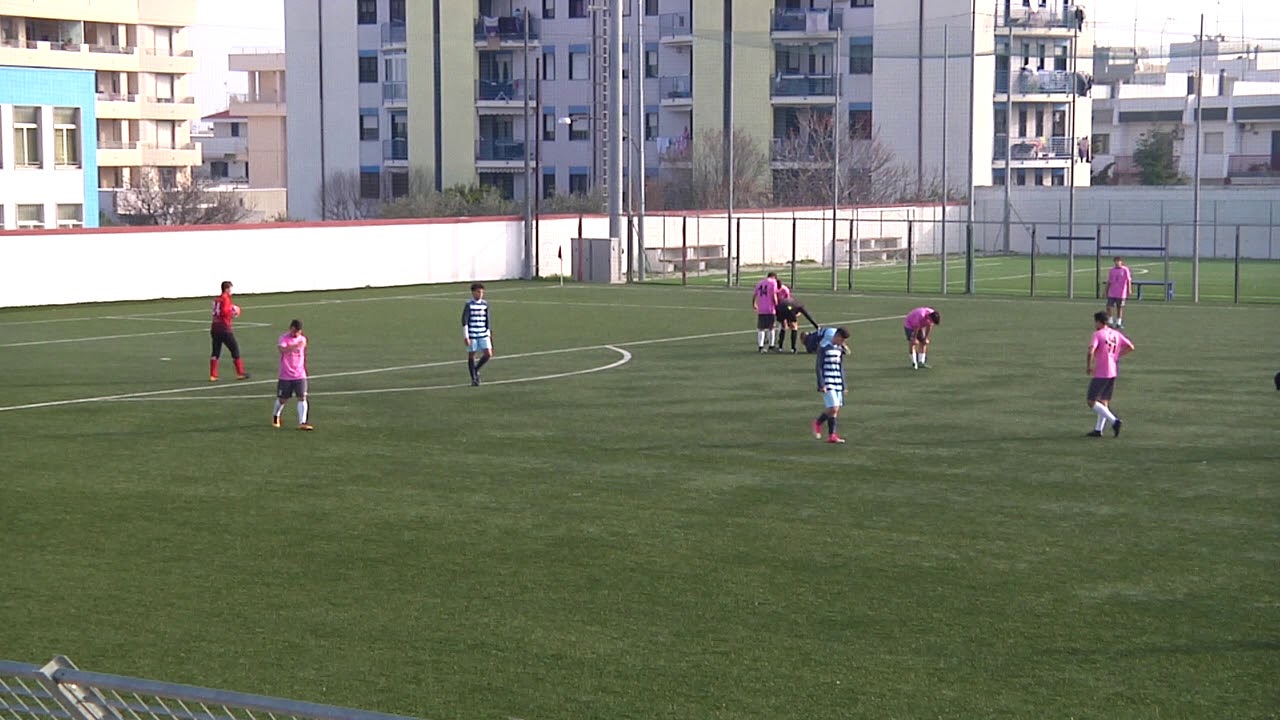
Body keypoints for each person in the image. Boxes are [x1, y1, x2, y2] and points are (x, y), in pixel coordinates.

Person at [1085, 311, 1135, 437]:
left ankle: (1114, 421)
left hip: (1102, 372)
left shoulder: (1098, 334)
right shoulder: (1116, 334)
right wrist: (1116, 355)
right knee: (1104, 401)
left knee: (1091, 401)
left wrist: (1089, 366)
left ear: (1098, 322)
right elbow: (1130, 346)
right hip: (1113, 371)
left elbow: (1091, 351)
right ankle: (1098, 430)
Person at [812, 327, 850, 444]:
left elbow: (840, 367)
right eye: (842, 340)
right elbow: (819, 367)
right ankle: (818, 423)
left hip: (837, 381)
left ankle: (832, 435)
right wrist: (821, 384)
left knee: (835, 410)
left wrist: (844, 385)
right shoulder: (824, 348)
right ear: (837, 336)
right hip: (828, 382)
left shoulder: (839, 350)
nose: (843, 343)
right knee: (833, 407)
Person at [272, 319, 312, 431]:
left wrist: (294, 346)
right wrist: (294, 347)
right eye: (294, 331)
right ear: (291, 328)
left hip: (300, 374)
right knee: (282, 399)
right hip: (285, 374)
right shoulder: (283, 338)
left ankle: (302, 422)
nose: (296, 334)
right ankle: (276, 415)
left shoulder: (302, 339)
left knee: (302, 397)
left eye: (298, 332)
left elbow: (300, 345)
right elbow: (282, 349)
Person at [209, 280, 249, 382]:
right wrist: (234, 312)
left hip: (214, 328)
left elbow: (216, 312)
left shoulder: (216, 299)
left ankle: (213, 375)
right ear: (227, 289)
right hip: (224, 328)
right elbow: (225, 312)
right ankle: (240, 373)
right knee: (234, 349)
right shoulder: (225, 299)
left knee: (215, 351)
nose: (231, 291)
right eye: (230, 289)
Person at [463, 282, 493, 386]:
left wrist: (488, 332)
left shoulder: (485, 304)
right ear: (473, 292)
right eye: (478, 292)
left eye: (482, 292)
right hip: (472, 334)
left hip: (483, 333)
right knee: (472, 355)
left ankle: (475, 370)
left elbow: (487, 319)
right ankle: (473, 378)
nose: (480, 294)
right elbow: (465, 320)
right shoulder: (469, 304)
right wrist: (466, 336)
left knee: (488, 354)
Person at [752, 272, 780, 353]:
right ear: (774, 277)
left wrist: (754, 304)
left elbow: (754, 295)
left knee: (761, 328)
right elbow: (774, 295)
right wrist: (777, 305)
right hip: (770, 309)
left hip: (761, 309)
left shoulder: (760, 283)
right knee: (771, 328)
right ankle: (771, 346)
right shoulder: (773, 283)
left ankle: (760, 347)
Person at [1105, 256, 1132, 328]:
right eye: (1115, 261)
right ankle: (1110, 321)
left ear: (1121, 262)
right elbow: (1109, 281)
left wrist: (1129, 289)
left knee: (1119, 307)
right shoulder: (1112, 270)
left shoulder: (1125, 270)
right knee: (1109, 306)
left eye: (1118, 261)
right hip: (1112, 292)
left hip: (1121, 292)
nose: (1117, 263)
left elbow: (1128, 280)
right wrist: (1106, 290)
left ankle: (1118, 322)